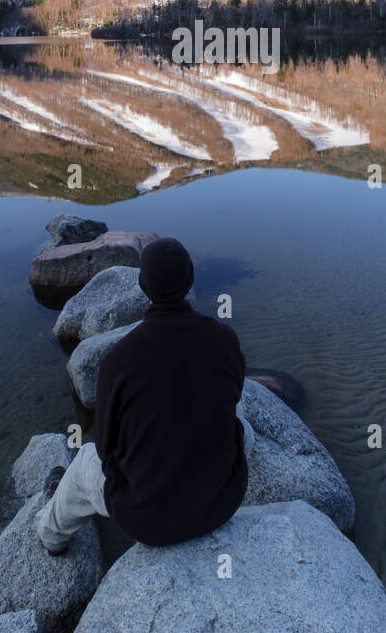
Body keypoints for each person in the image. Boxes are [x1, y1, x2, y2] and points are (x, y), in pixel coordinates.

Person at [35, 236, 254, 552]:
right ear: (190, 279)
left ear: (143, 286)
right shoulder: (224, 339)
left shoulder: (118, 360)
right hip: (221, 503)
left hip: (149, 521)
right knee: (239, 412)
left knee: (84, 460)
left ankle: (50, 535)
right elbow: (230, 397)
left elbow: (106, 451)